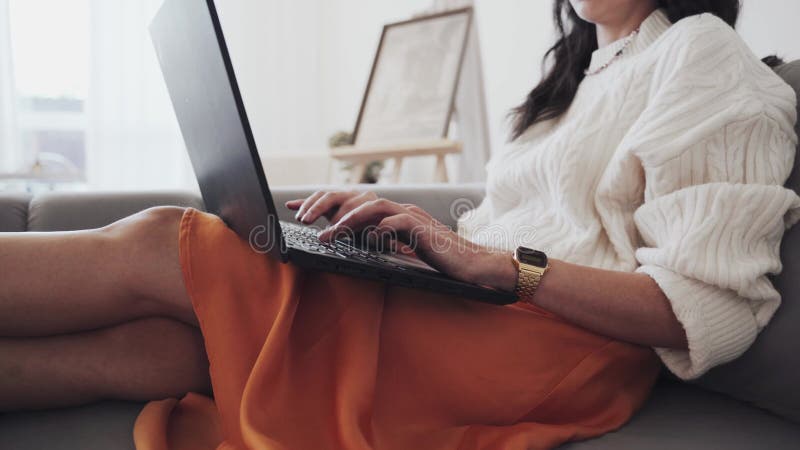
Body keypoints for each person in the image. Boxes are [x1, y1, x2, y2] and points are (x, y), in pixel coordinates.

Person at [1, 0, 798, 448]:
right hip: (480, 312)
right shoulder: (578, 76)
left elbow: (710, 307)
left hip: (551, 345)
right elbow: (517, 229)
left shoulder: (705, 56)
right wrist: (427, 240)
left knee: (164, 242)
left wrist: (501, 268)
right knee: (168, 352)